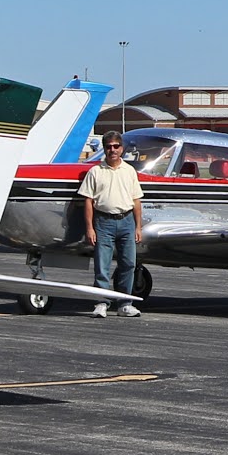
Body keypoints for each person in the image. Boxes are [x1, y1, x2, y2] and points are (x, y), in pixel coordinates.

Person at [78, 133, 146, 318]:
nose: (113, 150)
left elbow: (136, 201)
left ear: (122, 149)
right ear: (105, 149)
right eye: (109, 146)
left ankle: (125, 303)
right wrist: (90, 228)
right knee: (102, 264)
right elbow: (88, 201)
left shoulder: (129, 171)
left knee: (129, 263)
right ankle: (102, 302)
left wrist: (138, 226)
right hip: (103, 222)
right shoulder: (95, 171)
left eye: (116, 146)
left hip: (126, 222)